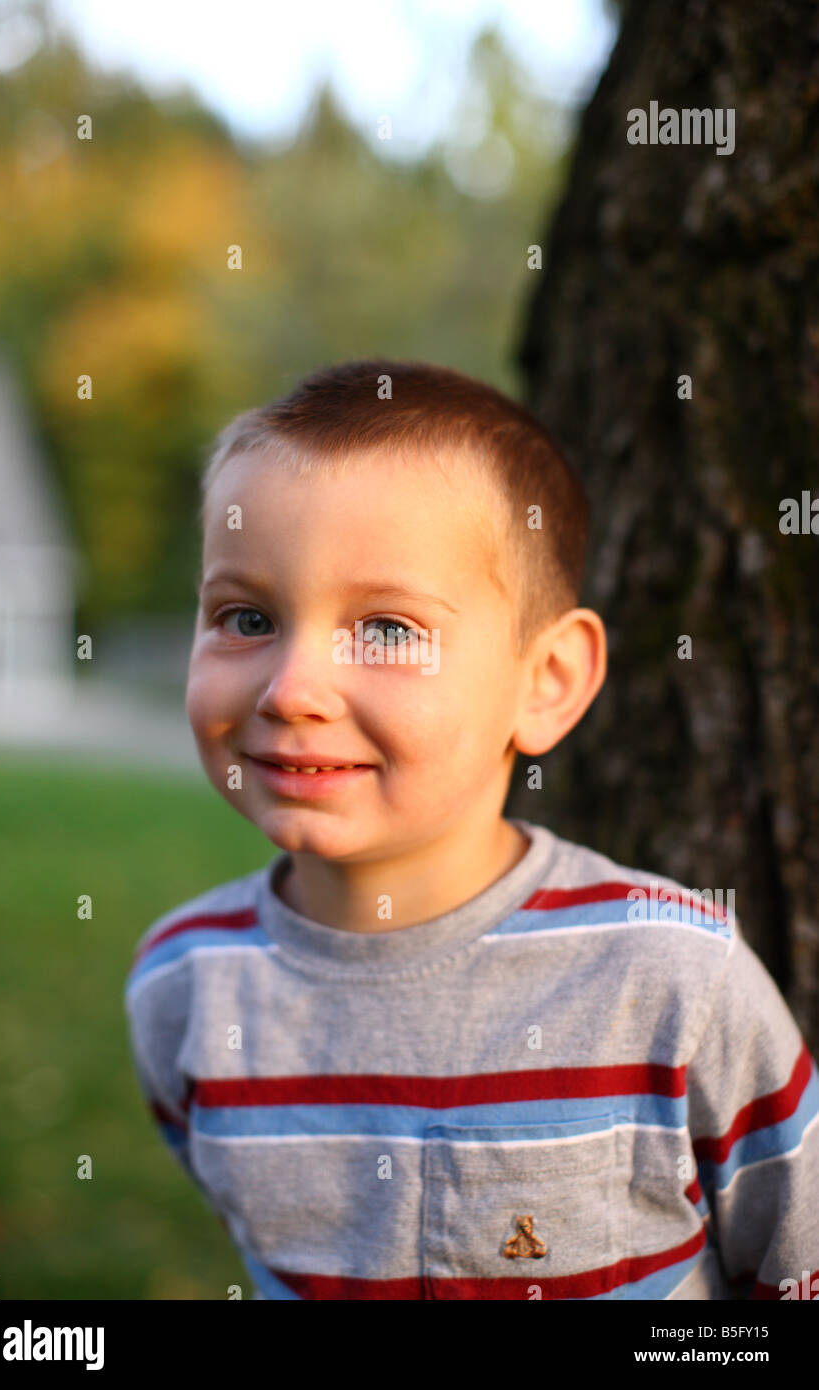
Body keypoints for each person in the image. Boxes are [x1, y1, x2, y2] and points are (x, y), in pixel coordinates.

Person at [124, 359, 819, 1300]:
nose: (290, 690)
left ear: (547, 682)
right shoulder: (185, 988)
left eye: (387, 629)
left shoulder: (671, 977)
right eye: (246, 617)